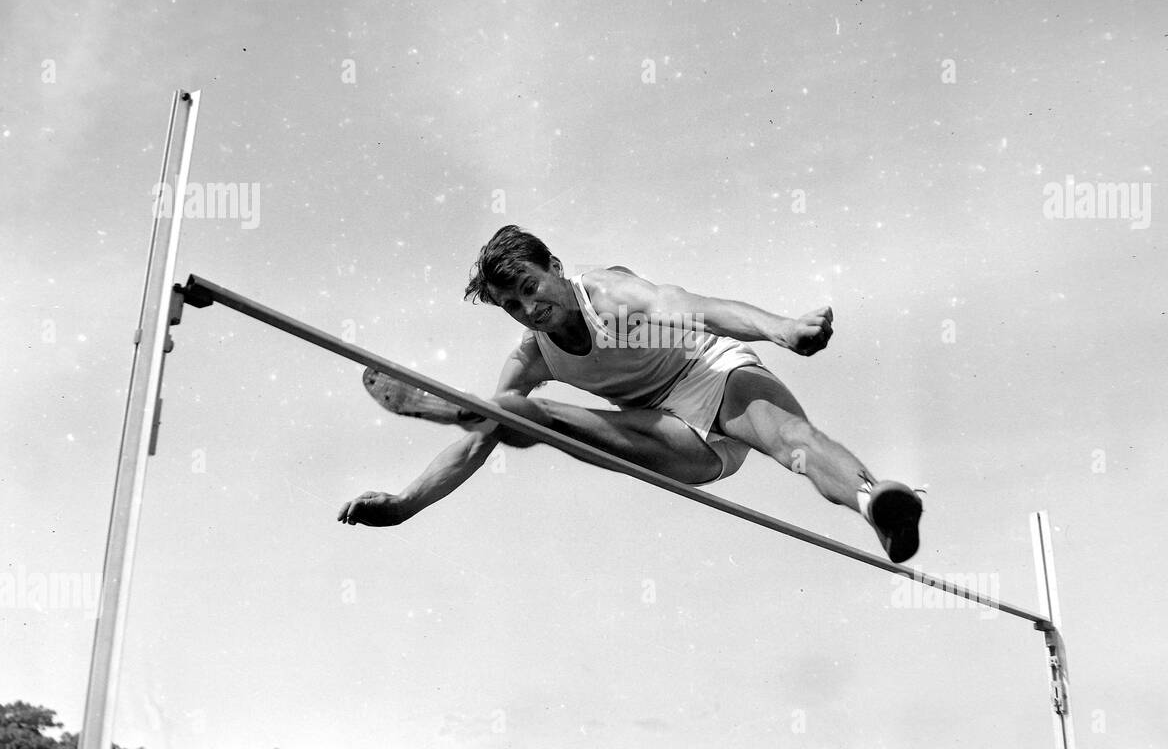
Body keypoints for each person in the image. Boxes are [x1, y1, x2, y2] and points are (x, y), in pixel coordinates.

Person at [337, 225, 923, 562]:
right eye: (511, 306)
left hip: (711, 374)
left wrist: (781, 329)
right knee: (519, 413)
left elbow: (700, 310)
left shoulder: (611, 297)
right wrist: (404, 504)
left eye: (530, 288)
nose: (528, 309)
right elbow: (475, 449)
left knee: (795, 441)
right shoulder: (534, 354)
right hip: (666, 433)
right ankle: (453, 408)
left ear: (556, 267)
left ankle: (877, 506)